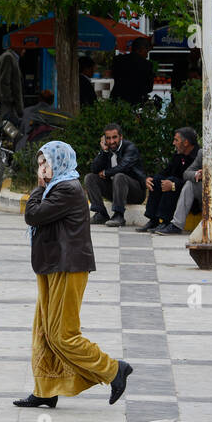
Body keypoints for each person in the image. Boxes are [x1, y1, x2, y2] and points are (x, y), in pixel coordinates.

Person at [16, 141, 132, 408]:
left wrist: (38, 186)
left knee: (62, 334)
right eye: (40, 163)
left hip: (68, 266)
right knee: (44, 331)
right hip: (52, 265)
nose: (41, 168)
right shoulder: (57, 187)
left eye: (45, 163)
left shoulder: (67, 188)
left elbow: (33, 215)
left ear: (59, 163)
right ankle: (45, 389)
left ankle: (114, 369)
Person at [158, 130, 212, 235]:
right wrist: (197, 175)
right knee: (190, 184)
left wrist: (207, 179)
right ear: (208, 148)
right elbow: (186, 174)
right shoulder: (202, 153)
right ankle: (176, 225)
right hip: (209, 193)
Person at [83, 122, 147, 228]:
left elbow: (123, 167)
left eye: (114, 137)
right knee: (90, 178)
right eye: (108, 138)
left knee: (119, 176)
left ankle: (119, 216)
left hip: (136, 192)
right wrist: (104, 151)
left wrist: (106, 173)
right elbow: (94, 169)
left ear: (121, 137)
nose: (111, 141)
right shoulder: (107, 149)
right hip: (115, 190)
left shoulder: (130, 148)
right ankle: (101, 214)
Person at [138, 127, 199, 233]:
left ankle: (166, 221)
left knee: (171, 181)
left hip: (192, 195)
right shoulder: (179, 155)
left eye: (176, 140)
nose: (173, 143)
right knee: (157, 180)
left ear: (186, 142)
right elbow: (167, 171)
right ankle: (154, 220)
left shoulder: (198, 155)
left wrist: (174, 185)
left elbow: (195, 181)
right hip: (177, 187)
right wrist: (150, 179)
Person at [110, 38, 155, 106]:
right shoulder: (147, 65)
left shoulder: (117, 60)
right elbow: (149, 88)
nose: (146, 55)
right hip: (135, 103)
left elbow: (113, 75)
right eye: (147, 52)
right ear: (141, 49)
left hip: (117, 100)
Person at [0, 44, 26, 123]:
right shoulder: (8, 57)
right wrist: (10, 100)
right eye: (23, 47)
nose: (24, 50)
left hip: (6, 104)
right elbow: (5, 81)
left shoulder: (9, 57)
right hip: (6, 105)